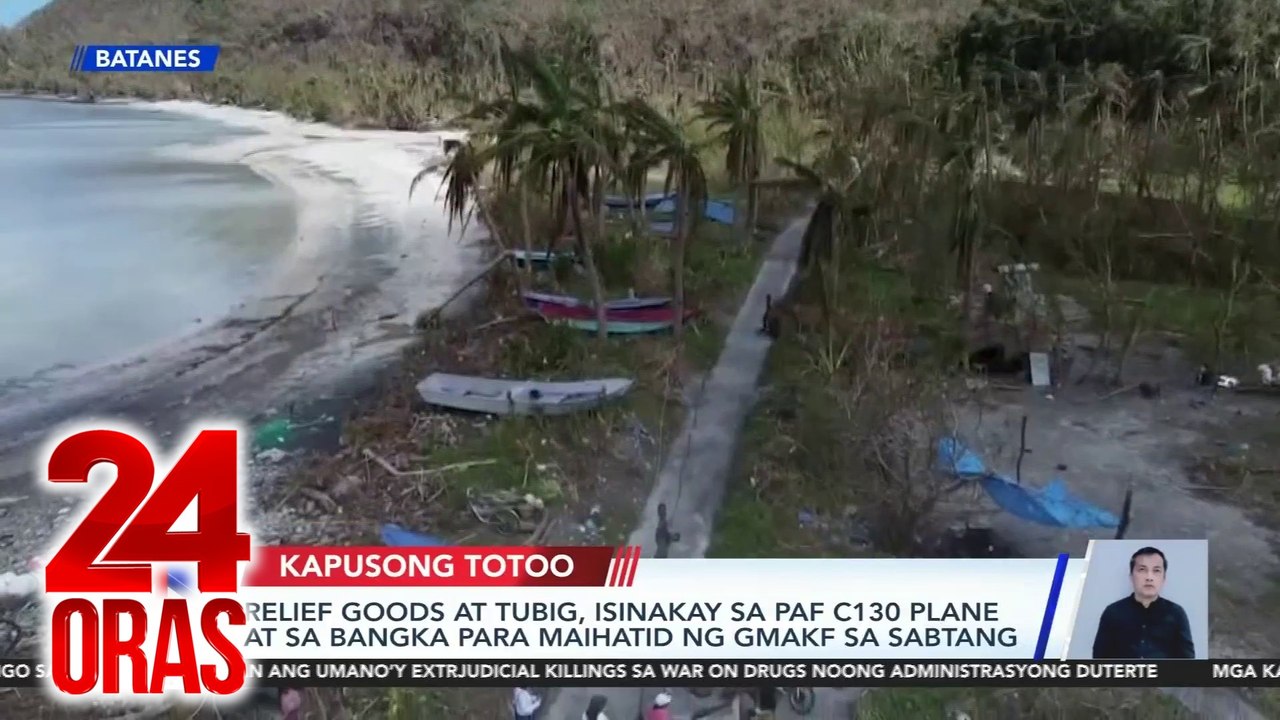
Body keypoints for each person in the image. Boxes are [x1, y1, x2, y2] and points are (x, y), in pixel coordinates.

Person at [1092, 546, 1195, 659]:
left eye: (1156, 571)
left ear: (1164, 578)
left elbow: (1187, 659)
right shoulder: (1113, 612)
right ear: (1131, 576)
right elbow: (1099, 657)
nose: (1149, 577)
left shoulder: (1176, 613)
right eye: (1142, 570)